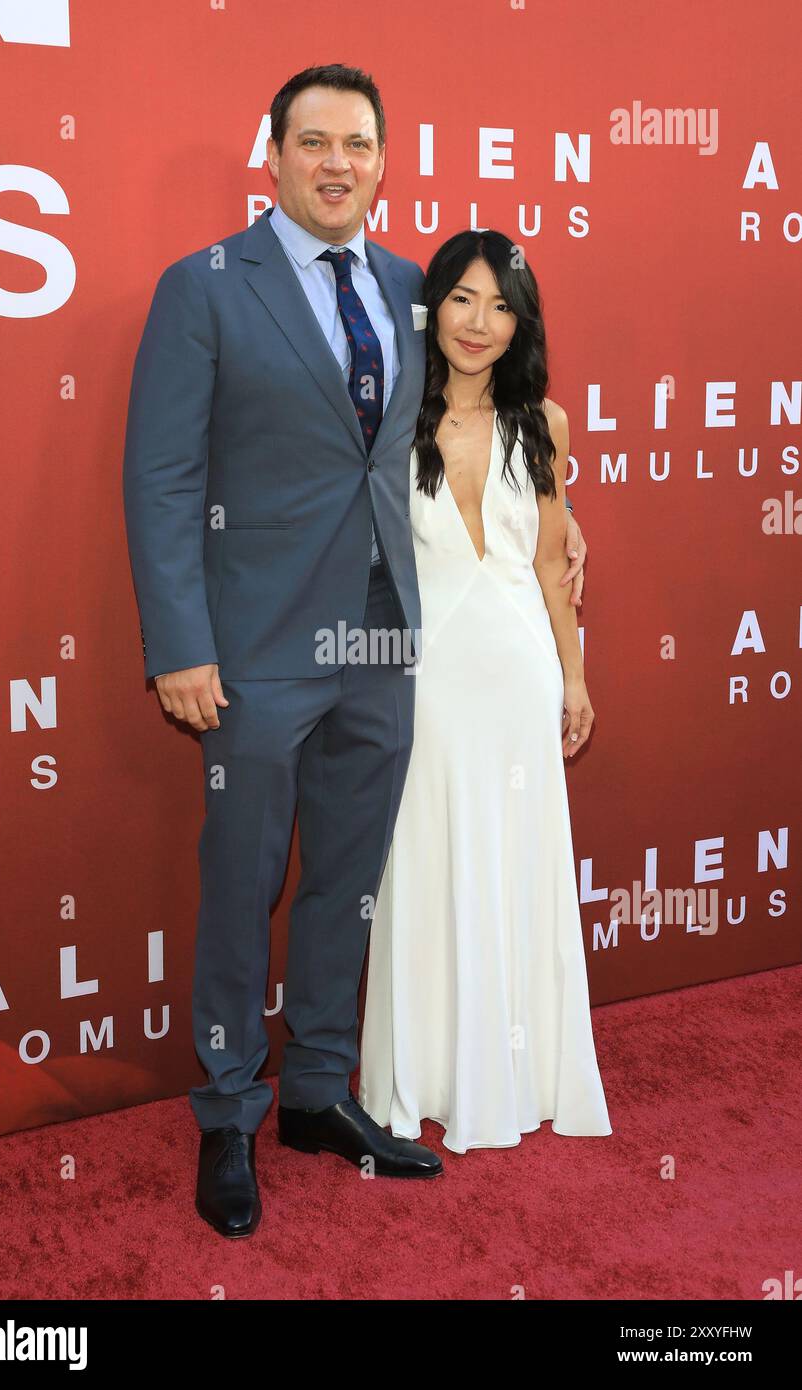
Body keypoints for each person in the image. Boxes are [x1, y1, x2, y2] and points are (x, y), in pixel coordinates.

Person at [122, 65, 589, 1238]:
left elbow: (467, 433)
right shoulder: (203, 289)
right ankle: (229, 1108)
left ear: (384, 161)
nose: (337, 162)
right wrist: (180, 642)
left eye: (359, 144)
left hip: (385, 643)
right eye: (313, 141)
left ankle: (318, 1091)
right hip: (253, 649)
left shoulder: (405, 289)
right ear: (273, 156)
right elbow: (164, 477)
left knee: (346, 879)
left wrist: (554, 526)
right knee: (244, 883)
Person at [358, 231, 612, 1153]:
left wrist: (574, 675)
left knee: (515, 861)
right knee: (424, 864)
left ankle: (522, 1067)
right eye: (463, 300)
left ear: (522, 323)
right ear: (433, 309)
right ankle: (425, 1072)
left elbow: (550, 562)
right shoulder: (387, 417)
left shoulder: (545, 423)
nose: (480, 323)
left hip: (516, 671)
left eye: (502, 305)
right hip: (423, 678)